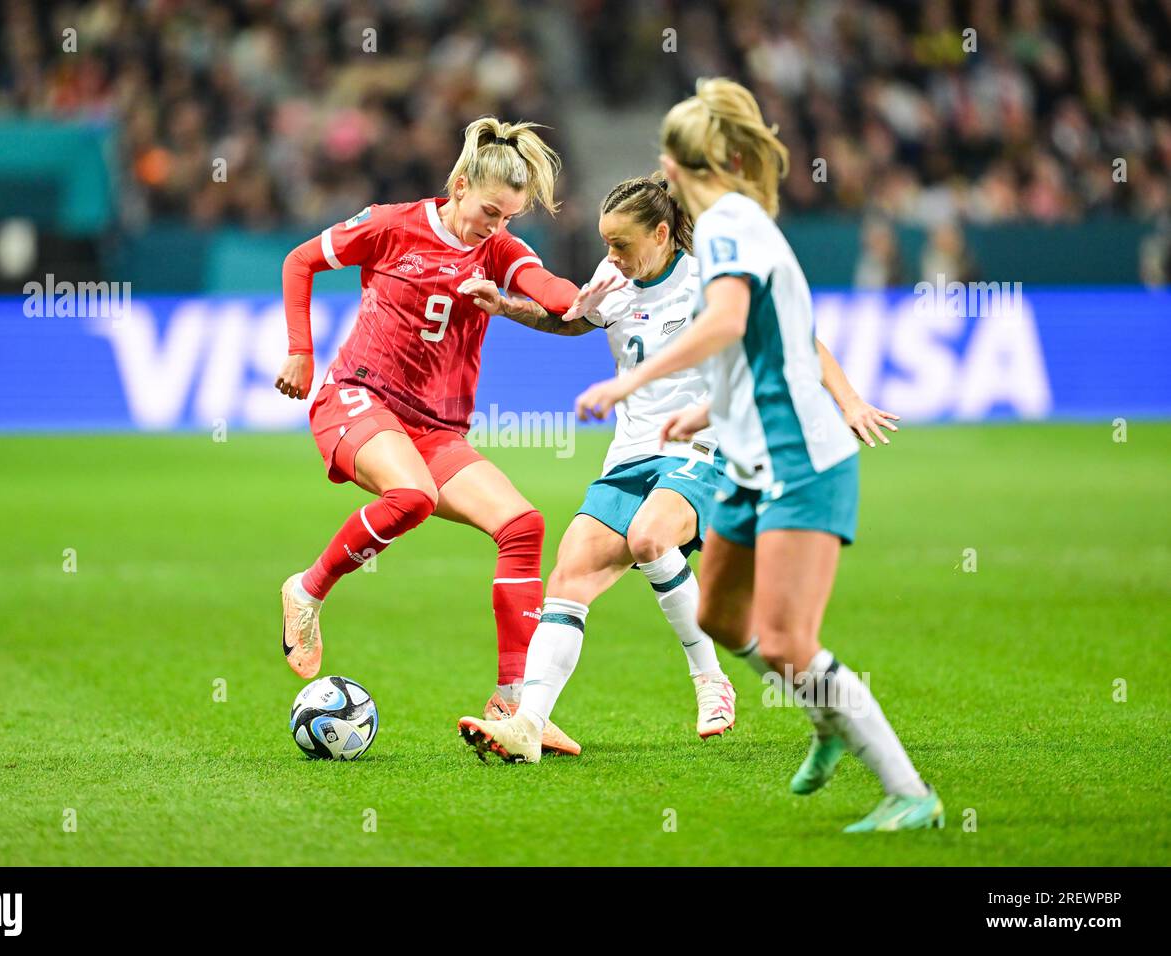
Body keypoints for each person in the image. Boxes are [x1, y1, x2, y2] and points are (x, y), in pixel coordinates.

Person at [574, 78, 943, 832]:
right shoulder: (723, 230)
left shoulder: (730, 228)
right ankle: (827, 720)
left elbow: (730, 322)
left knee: (785, 641)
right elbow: (768, 345)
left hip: (801, 458)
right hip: (746, 449)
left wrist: (632, 382)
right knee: (716, 612)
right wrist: (708, 411)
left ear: (680, 167)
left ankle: (910, 793)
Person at [459, 172, 897, 766]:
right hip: (631, 454)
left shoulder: (709, 281)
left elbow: (795, 339)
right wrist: (507, 307)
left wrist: (848, 402)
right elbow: (570, 322)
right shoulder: (614, 282)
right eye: (605, 244)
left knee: (649, 536)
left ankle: (710, 678)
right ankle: (529, 724)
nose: (610, 258)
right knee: (569, 574)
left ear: (663, 234)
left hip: (706, 446)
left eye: (621, 244)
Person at [274, 117, 620, 756]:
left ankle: (513, 704)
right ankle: (307, 588)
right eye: (490, 210)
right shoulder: (389, 224)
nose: (497, 225)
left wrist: (589, 294)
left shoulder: (499, 251)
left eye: (509, 217)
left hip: (435, 428)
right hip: (358, 397)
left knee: (523, 526)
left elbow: (550, 291)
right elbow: (300, 261)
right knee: (413, 497)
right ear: (459, 185)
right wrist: (300, 351)